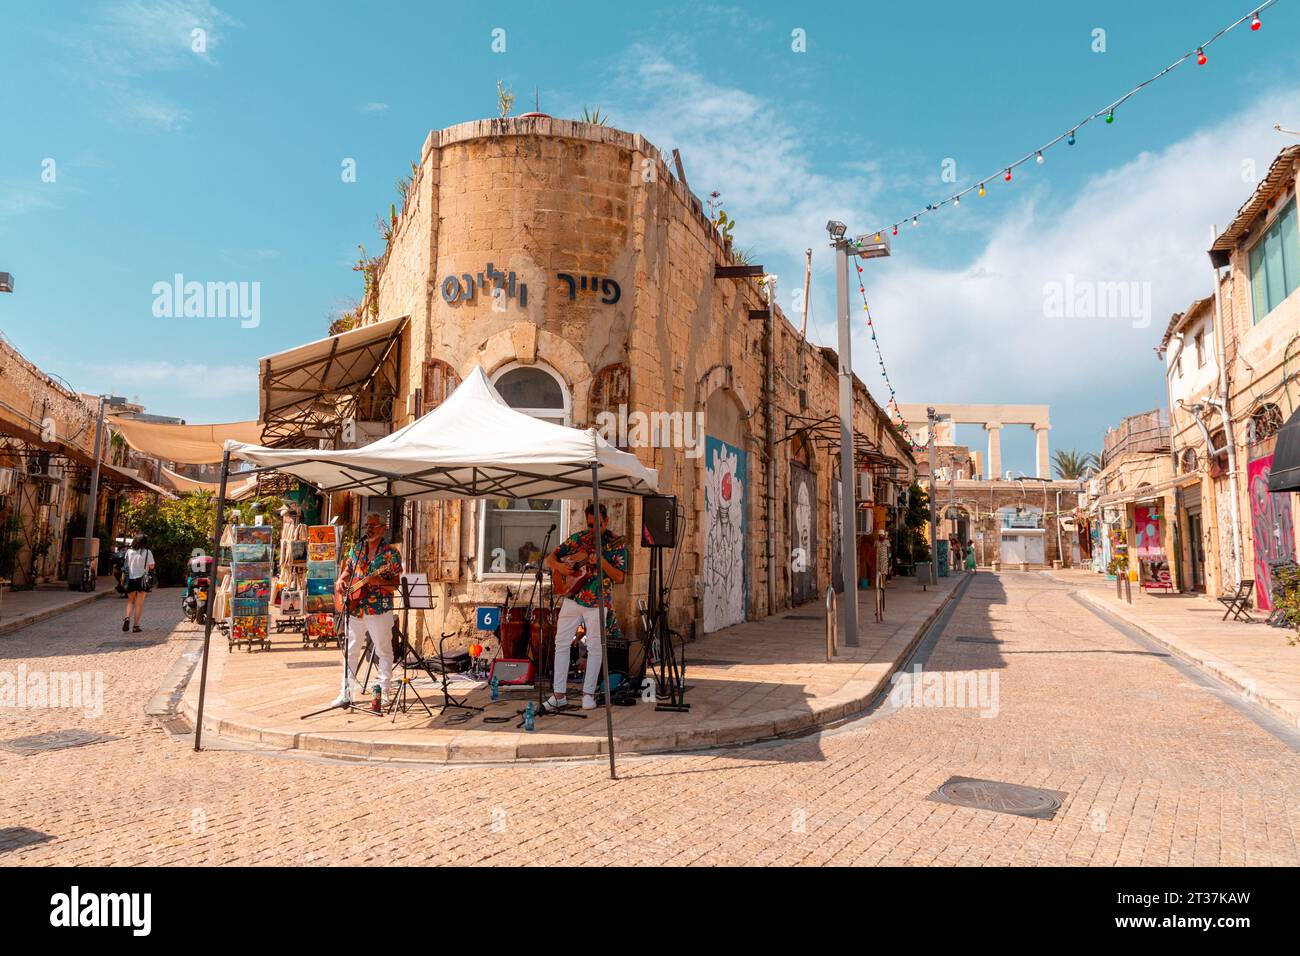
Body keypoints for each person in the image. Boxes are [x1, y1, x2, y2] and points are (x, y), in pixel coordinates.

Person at [541, 502, 627, 712]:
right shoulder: (579, 539)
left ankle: (588, 694)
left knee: (595, 647)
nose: (594, 530)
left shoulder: (616, 544)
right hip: (572, 597)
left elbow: (620, 577)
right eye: (590, 525)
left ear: (606, 521)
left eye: (598, 525)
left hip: (598, 600)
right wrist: (560, 566)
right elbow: (549, 558)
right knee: (561, 643)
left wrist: (602, 563)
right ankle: (558, 695)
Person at [330, 512, 402, 707]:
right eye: (366, 525)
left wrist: (378, 581)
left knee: (383, 650)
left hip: (379, 608)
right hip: (355, 608)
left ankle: (383, 692)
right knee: (350, 650)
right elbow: (347, 571)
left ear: (383, 529)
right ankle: (346, 693)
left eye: (373, 525)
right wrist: (340, 581)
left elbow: (395, 583)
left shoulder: (391, 553)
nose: (368, 529)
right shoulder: (357, 548)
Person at [122, 535, 156, 632]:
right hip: (142, 580)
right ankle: (136, 626)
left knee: (130, 601)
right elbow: (152, 566)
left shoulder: (129, 552)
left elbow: (126, 564)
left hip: (131, 579)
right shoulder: (147, 552)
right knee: (139, 604)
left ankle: (127, 618)